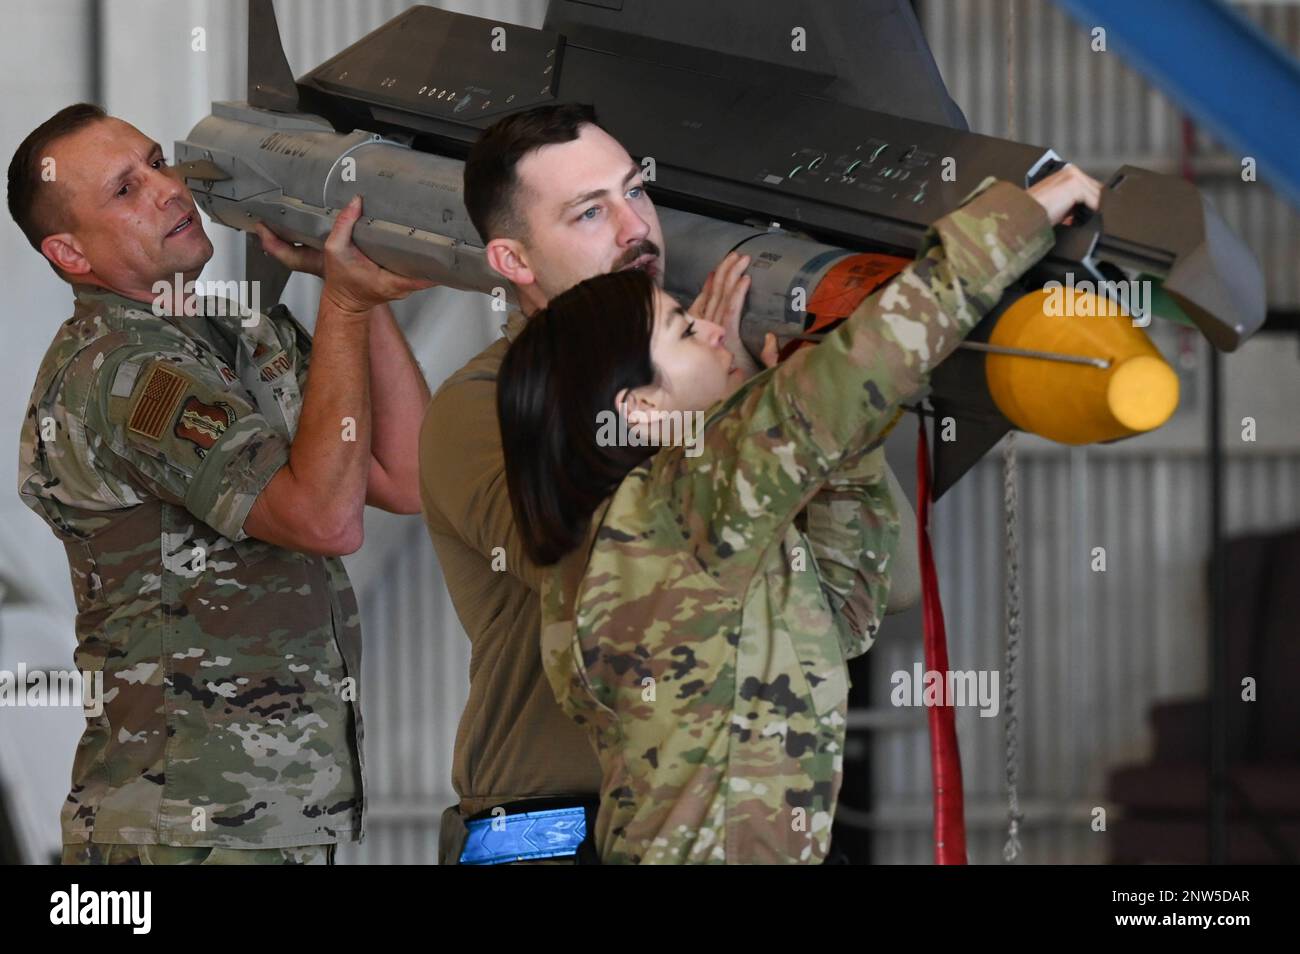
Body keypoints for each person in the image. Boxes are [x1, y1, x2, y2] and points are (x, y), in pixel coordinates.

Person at [496, 165, 1103, 863]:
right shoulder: (672, 507)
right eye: (686, 331)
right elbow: (848, 382)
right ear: (641, 409)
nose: (719, 334)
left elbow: (842, 613)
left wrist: (826, 451)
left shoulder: (622, 540)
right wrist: (1019, 217)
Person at [420, 102, 920, 864]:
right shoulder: (480, 407)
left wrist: (787, 417)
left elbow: (887, 593)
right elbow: (598, 566)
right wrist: (736, 421)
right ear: (514, 262)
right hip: (553, 834)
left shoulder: (719, 379)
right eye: (590, 213)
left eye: (636, 191)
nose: (636, 230)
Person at [9, 104, 432, 864]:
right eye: (125, 190)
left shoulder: (229, 337)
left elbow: (407, 476)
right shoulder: (123, 373)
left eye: (157, 163)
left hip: (275, 817)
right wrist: (341, 301)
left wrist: (359, 294)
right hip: (182, 830)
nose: (169, 190)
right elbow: (325, 521)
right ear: (70, 253)